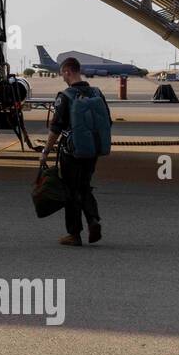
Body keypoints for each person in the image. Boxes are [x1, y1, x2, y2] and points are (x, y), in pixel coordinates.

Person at [39, 56, 112, 246]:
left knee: (71, 190)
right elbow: (108, 122)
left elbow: (56, 128)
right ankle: (93, 220)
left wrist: (46, 151)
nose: (62, 78)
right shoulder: (97, 93)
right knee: (85, 186)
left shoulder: (66, 96)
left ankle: (74, 234)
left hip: (71, 152)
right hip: (92, 149)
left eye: (62, 74)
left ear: (67, 72)